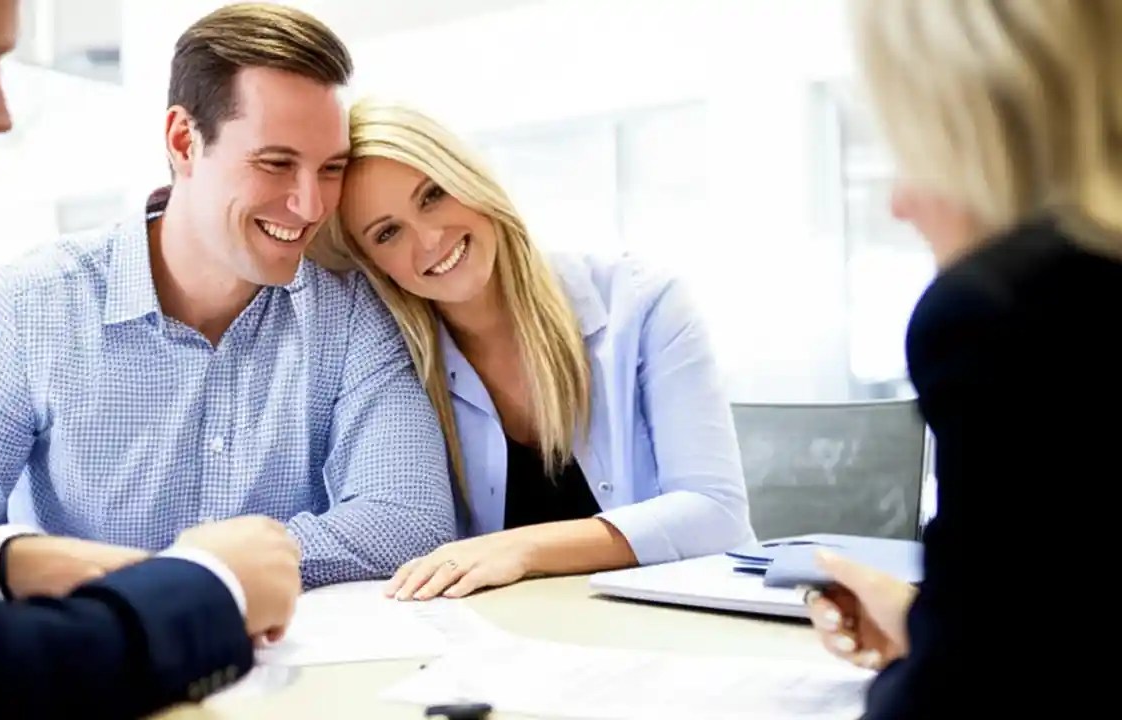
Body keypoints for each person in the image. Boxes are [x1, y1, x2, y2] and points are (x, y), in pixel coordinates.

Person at [0, 2, 457, 590]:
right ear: (184, 141)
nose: (311, 206)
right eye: (276, 163)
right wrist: (199, 579)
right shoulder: (24, 313)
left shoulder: (350, 313)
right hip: (89, 670)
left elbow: (408, 522)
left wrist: (172, 576)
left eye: (331, 168)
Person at [0, 0, 305, 716]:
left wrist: (5, 558)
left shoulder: (334, 306)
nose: (0, 115)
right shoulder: (25, 305)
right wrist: (209, 584)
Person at [805, 0, 1122, 716]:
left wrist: (928, 661)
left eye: (913, 144)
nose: (898, 204)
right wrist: (933, 618)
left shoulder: (1010, 310)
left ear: (978, 120)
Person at [319, 98, 755, 601]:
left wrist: (520, 548)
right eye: (388, 232)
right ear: (375, 264)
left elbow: (715, 512)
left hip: (682, 624)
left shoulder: (644, 305)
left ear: (469, 179)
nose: (431, 238)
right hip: (518, 642)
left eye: (433, 195)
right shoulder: (396, 369)